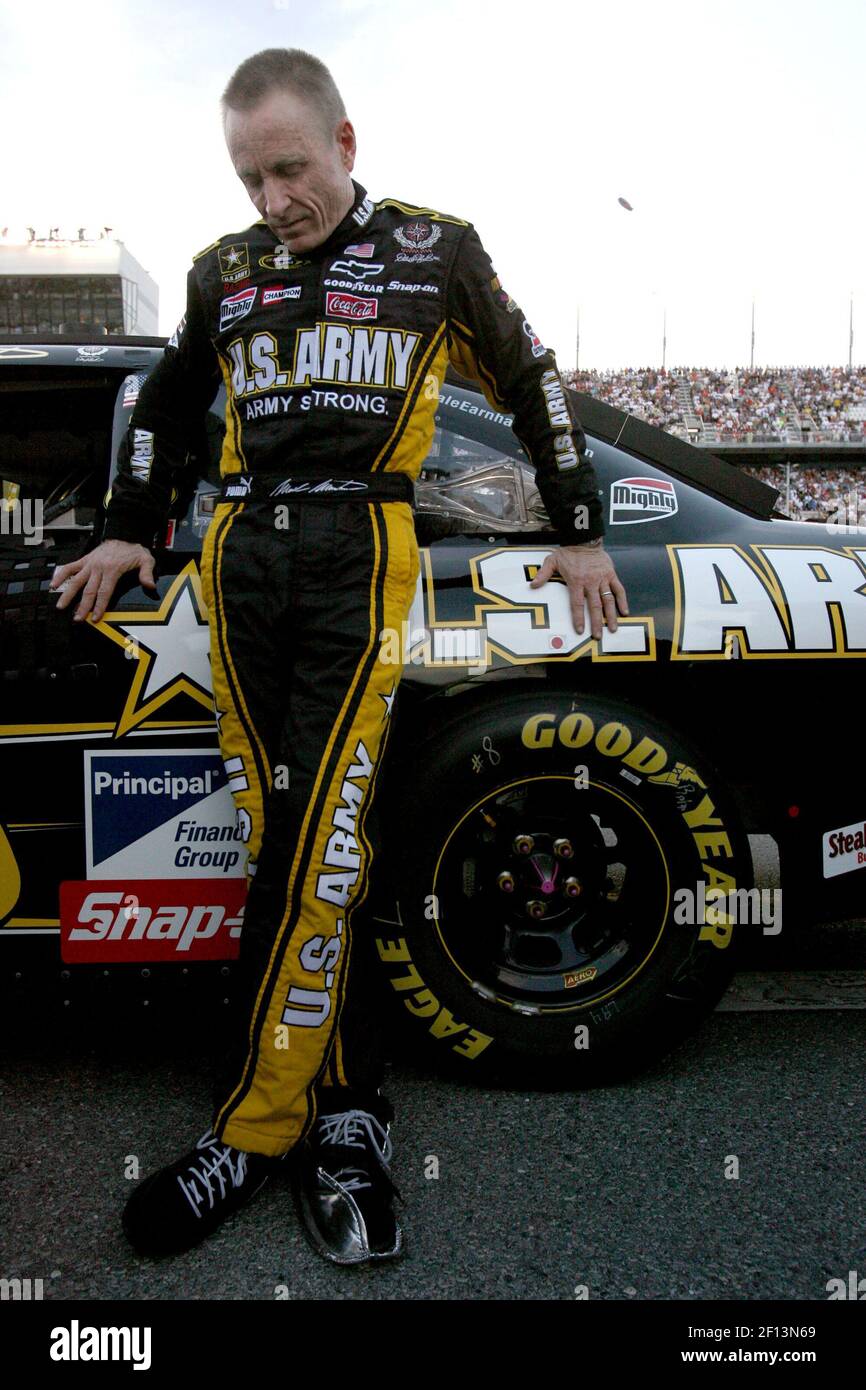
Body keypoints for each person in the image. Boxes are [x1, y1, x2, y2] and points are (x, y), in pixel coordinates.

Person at [50, 47, 627, 1266]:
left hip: (362, 550)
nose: (273, 201)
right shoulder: (222, 271)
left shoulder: (434, 249)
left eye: (290, 170)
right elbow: (167, 405)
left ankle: (254, 1126)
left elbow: (531, 376)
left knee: (319, 840)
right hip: (241, 559)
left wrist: (577, 528)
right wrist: (127, 525)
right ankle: (349, 1108)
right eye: (249, 178)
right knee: (294, 841)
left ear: (344, 142)